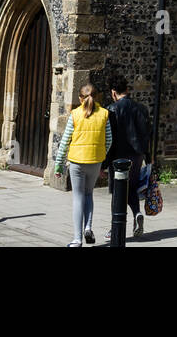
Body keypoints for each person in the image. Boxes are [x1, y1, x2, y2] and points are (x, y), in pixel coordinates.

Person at [53, 84, 112, 247]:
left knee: (78, 198)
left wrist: (58, 165)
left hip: (77, 161)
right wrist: (101, 158)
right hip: (95, 161)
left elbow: (65, 142)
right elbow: (109, 140)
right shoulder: (104, 114)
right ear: (97, 97)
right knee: (88, 194)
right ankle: (88, 227)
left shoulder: (75, 115)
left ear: (80, 98)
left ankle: (77, 239)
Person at [105, 76, 150, 240]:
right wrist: (149, 158)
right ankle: (137, 213)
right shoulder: (141, 108)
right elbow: (147, 135)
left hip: (118, 157)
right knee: (131, 188)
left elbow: (109, 138)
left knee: (118, 192)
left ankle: (114, 229)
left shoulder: (111, 109)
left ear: (113, 92)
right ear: (127, 90)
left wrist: (104, 163)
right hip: (137, 155)